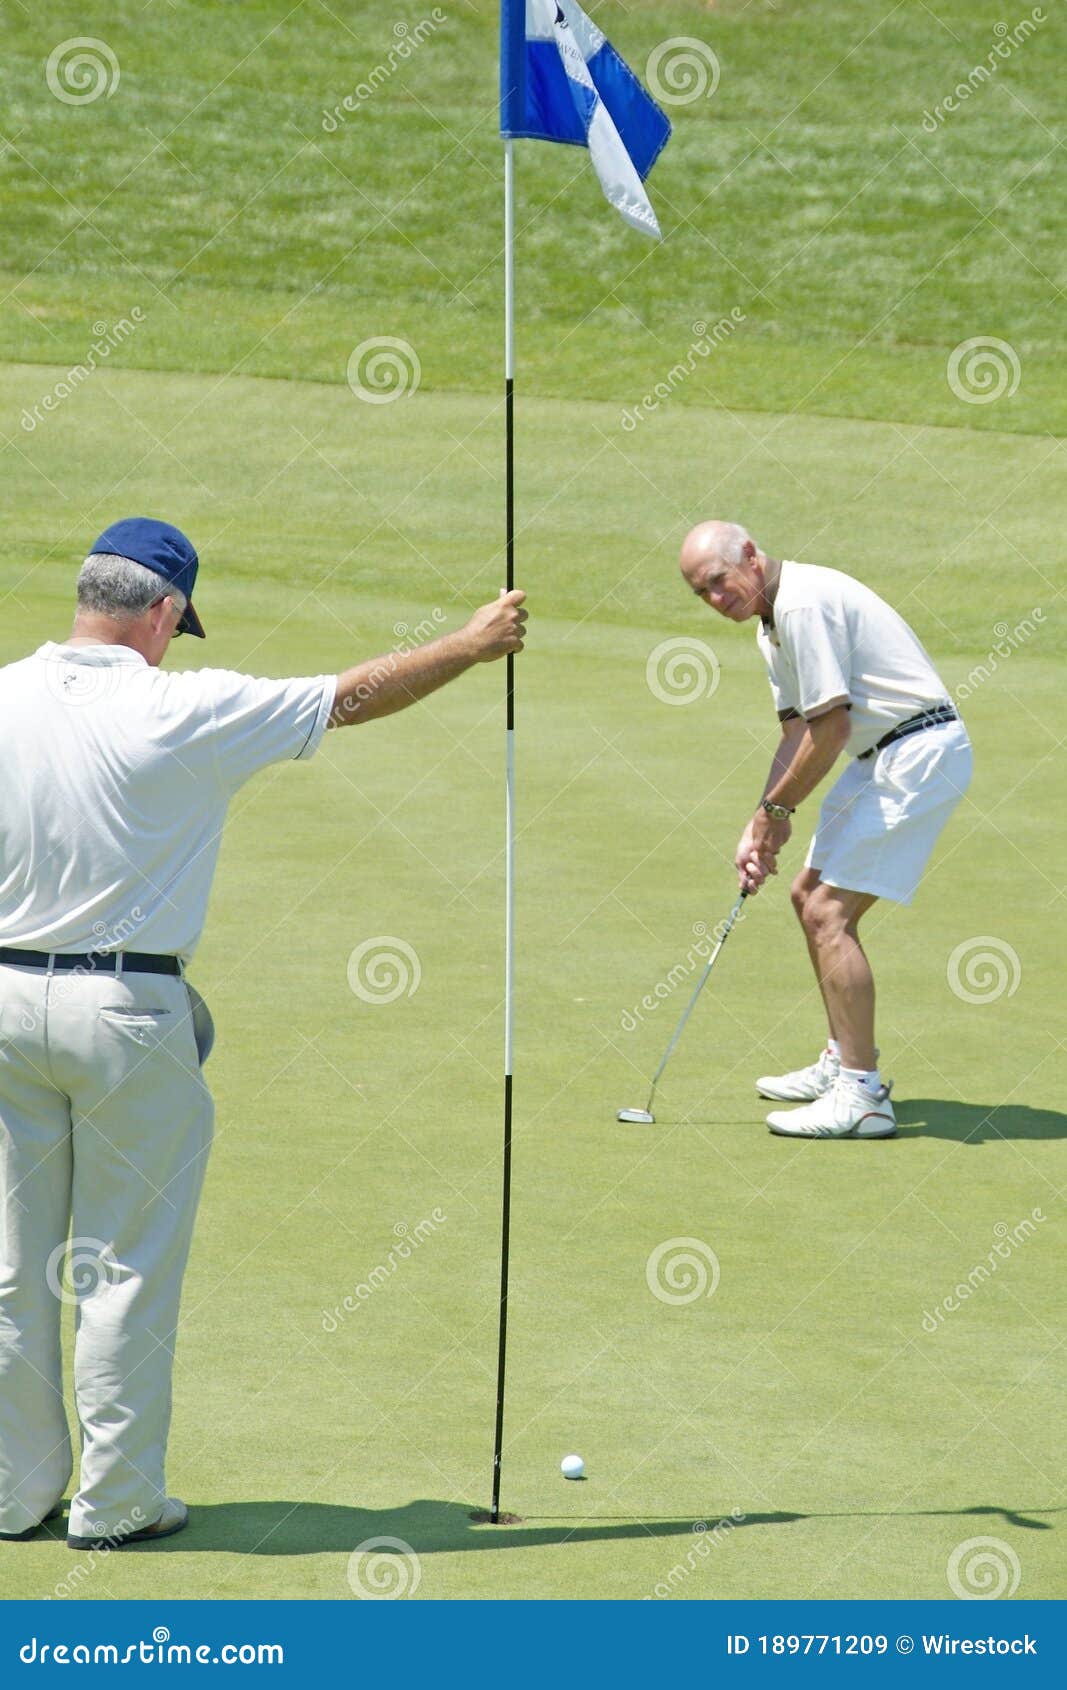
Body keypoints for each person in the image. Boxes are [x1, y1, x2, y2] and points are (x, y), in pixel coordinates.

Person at [0, 517, 527, 1548]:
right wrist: (469, 646)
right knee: (124, 1267)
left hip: (3, 999)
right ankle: (116, 1504)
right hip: (125, 1014)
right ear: (163, 611)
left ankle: (13, 1494)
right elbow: (349, 697)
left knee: (13, 1268)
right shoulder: (181, 705)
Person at [678, 520, 972, 1140]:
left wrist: (777, 814)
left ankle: (862, 1097)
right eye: (701, 593)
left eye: (718, 581)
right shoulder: (771, 626)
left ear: (750, 556)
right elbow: (797, 733)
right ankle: (843, 1061)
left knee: (828, 913)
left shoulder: (801, 605)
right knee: (806, 895)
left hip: (917, 751)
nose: (715, 599)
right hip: (882, 754)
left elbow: (830, 729)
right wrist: (759, 823)